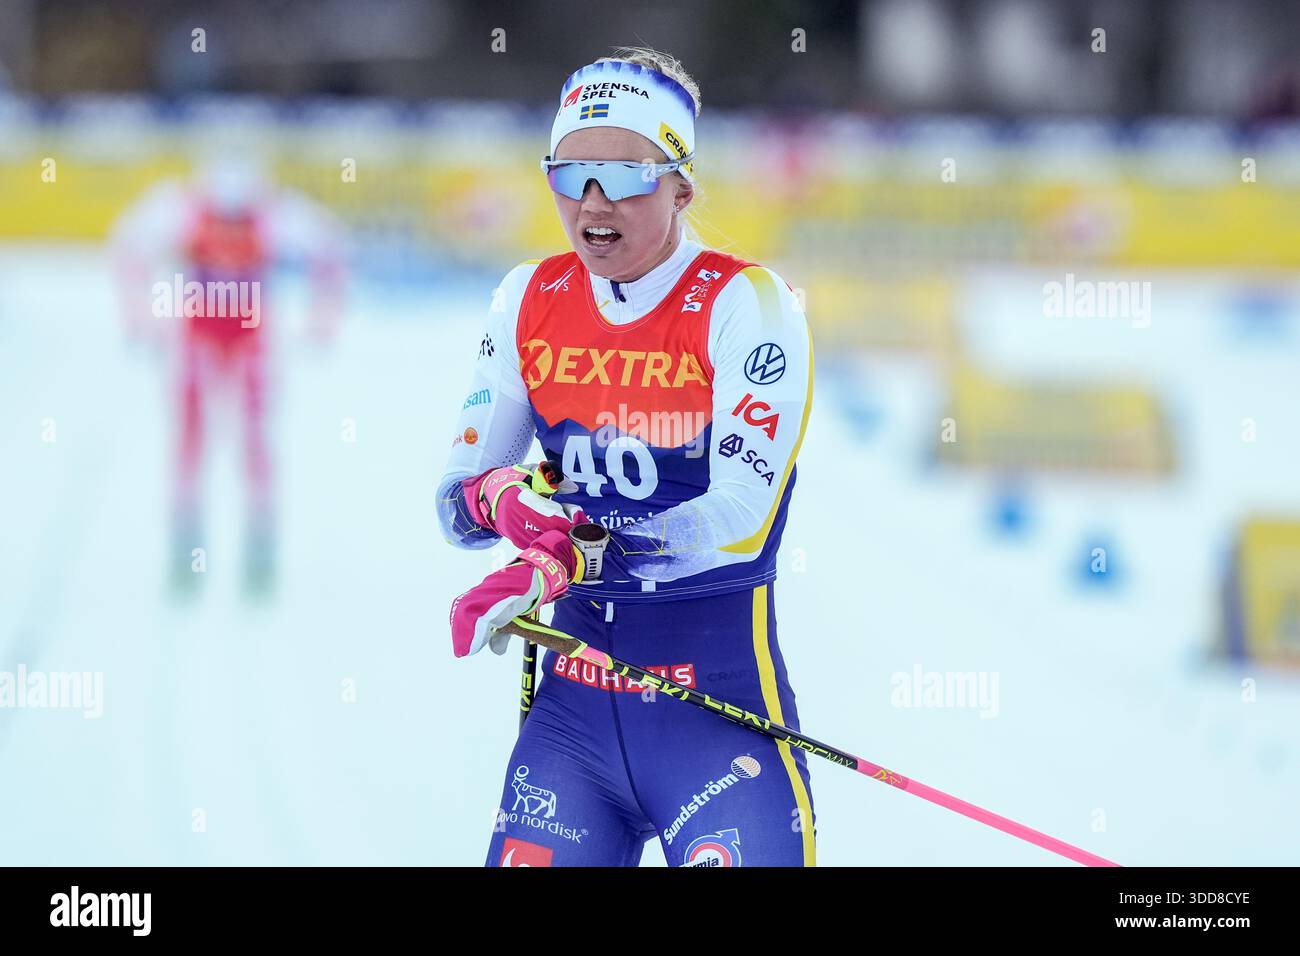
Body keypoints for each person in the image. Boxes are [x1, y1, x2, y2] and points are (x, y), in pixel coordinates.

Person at [437, 47, 815, 867]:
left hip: (716, 723)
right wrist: (509, 504)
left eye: (628, 175)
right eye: (571, 174)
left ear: (682, 183)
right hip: (572, 731)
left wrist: (572, 550)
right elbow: (457, 502)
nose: (595, 202)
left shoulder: (746, 303)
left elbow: (741, 518)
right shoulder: (526, 299)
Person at [110, 157, 346, 595]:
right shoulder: (181, 209)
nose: (231, 226)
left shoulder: (273, 214)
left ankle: (259, 546)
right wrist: (138, 316)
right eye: (222, 218)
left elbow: (329, 246)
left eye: (237, 218)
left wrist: (323, 318)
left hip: (251, 342)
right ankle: (186, 544)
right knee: (190, 440)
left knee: (255, 440)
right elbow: (128, 243)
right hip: (197, 341)